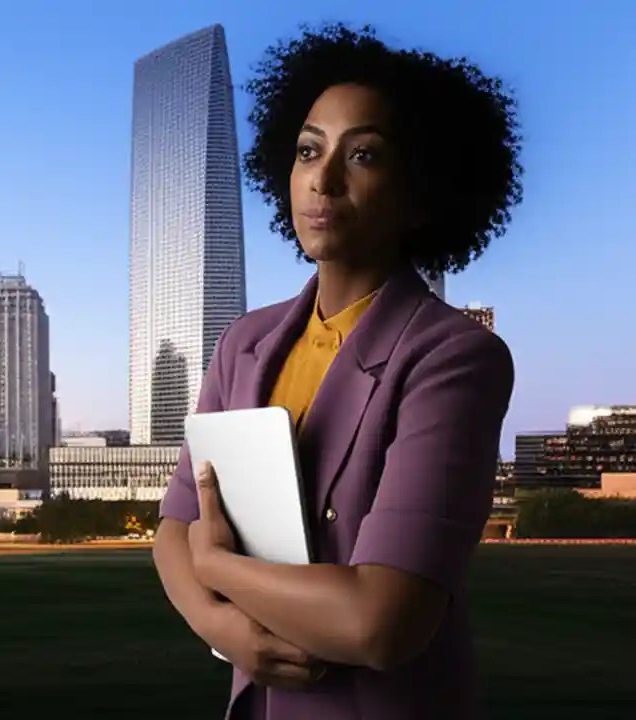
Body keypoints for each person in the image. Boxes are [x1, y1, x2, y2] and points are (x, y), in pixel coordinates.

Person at [152, 23, 522, 720]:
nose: (323, 179)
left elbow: (380, 623)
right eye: (308, 150)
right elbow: (174, 526)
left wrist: (217, 566)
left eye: (365, 155)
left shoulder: (454, 358)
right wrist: (224, 629)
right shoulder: (245, 342)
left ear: (423, 194)